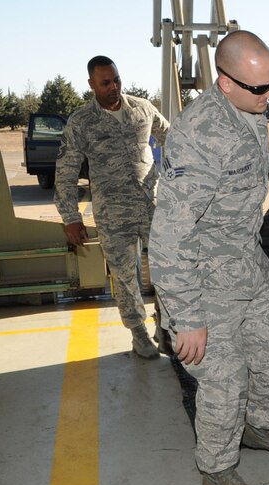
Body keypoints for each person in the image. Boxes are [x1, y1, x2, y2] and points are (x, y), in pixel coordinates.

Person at [149, 31, 269, 485]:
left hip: (246, 260)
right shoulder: (199, 134)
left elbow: (251, 159)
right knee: (225, 381)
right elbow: (169, 236)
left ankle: (261, 426)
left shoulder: (250, 108)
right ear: (225, 83)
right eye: (260, 89)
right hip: (201, 278)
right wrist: (187, 317)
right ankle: (217, 471)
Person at [54, 56, 170, 359]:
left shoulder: (143, 108)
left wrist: (176, 175)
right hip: (112, 213)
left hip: (151, 205)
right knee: (124, 275)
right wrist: (71, 217)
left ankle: (166, 326)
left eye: (116, 79)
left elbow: (171, 136)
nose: (113, 87)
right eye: (105, 82)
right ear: (91, 84)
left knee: (168, 268)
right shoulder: (81, 122)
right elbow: (65, 171)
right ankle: (138, 334)